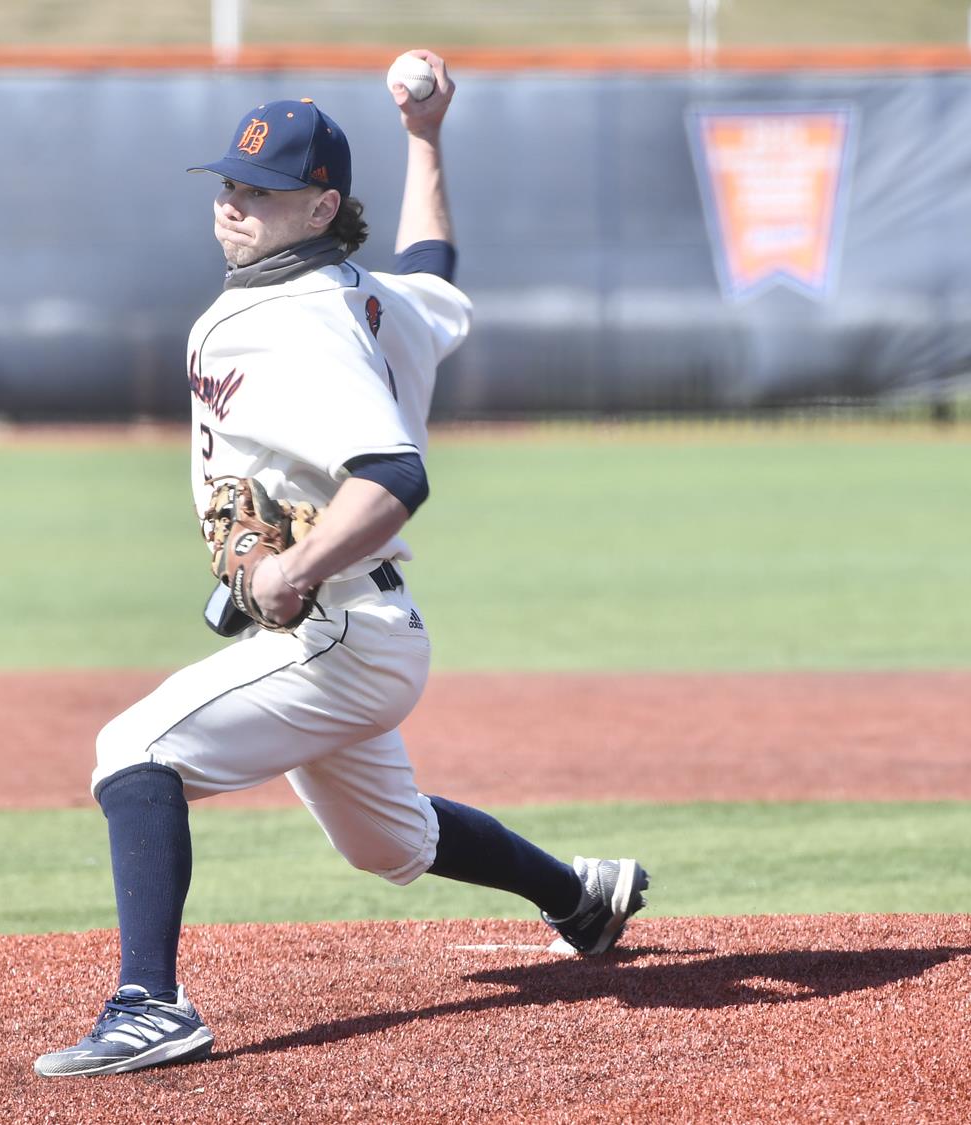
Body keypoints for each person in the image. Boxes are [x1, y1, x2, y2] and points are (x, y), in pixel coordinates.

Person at [33, 51, 649, 1079]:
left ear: (318, 207)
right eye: (227, 185)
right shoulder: (368, 296)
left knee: (133, 752)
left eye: (261, 194)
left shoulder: (296, 322)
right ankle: (577, 897)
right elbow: (435, 269)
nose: (232, 207)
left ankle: (150, 1005)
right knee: (388, 845)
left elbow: (395, 475)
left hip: (331, 626)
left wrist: (292, 568)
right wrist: (425, 138)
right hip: (364, 633)